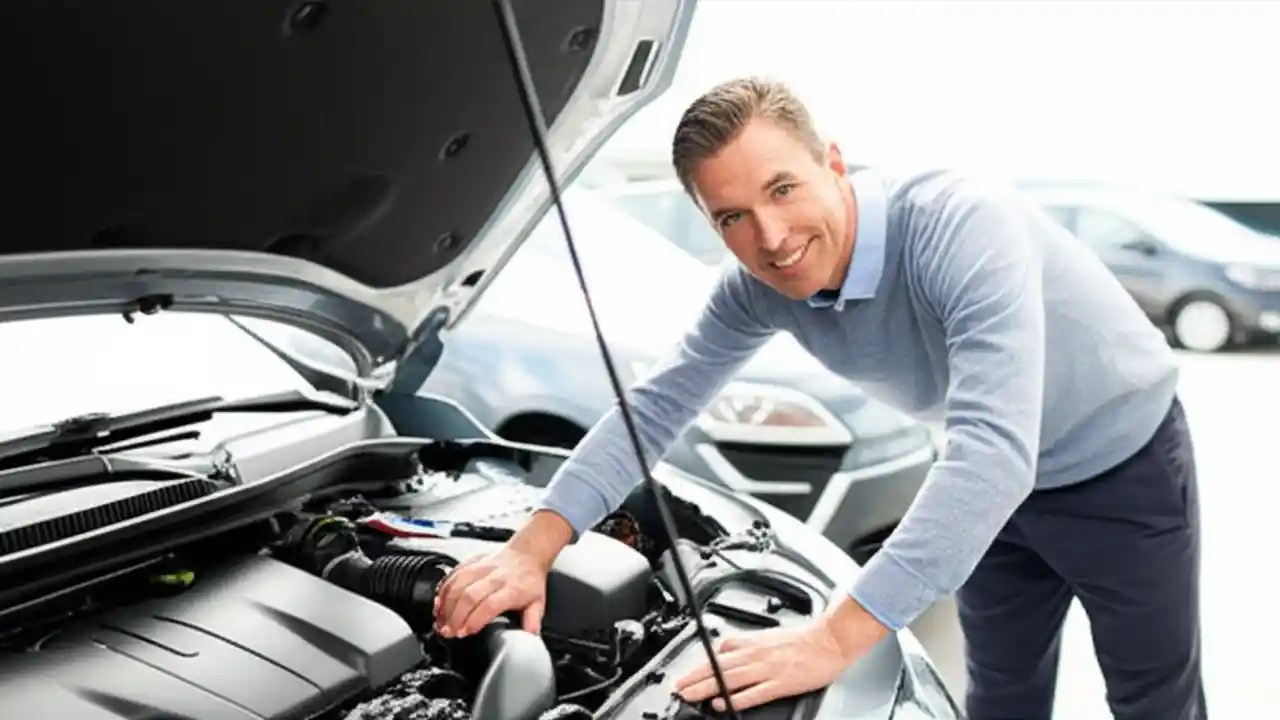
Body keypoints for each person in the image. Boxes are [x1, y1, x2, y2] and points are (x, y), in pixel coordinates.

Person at [432, 77, 1205, 720]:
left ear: (832, 162)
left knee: (1150, 697)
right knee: (1002, 694)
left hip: (1120, 469)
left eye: (782, 189)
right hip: (995, 503)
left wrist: (831, 641)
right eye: (732, 216)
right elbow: (656, 407)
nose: (770, 237)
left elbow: (992, 457)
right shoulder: (756, 291)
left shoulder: (959, 226)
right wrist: (533, 547)